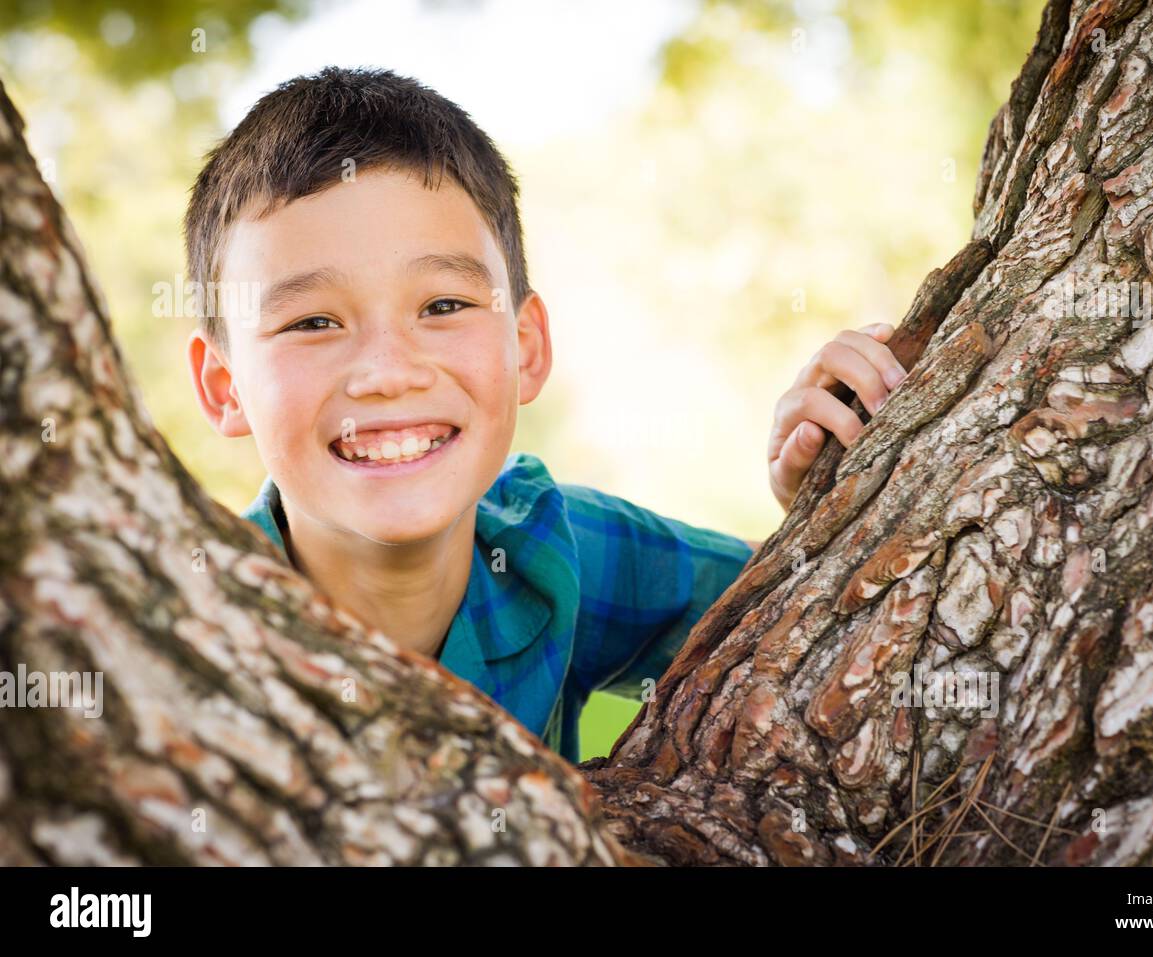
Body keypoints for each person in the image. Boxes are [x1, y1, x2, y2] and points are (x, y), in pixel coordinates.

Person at [185, 67, 906, 763]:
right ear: (225, 386)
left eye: (443, 306)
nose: (388, 372)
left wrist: (818, 496)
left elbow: (803, 612)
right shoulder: (176, 634)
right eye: (312, 322)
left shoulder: (555, 553)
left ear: (525, 347)